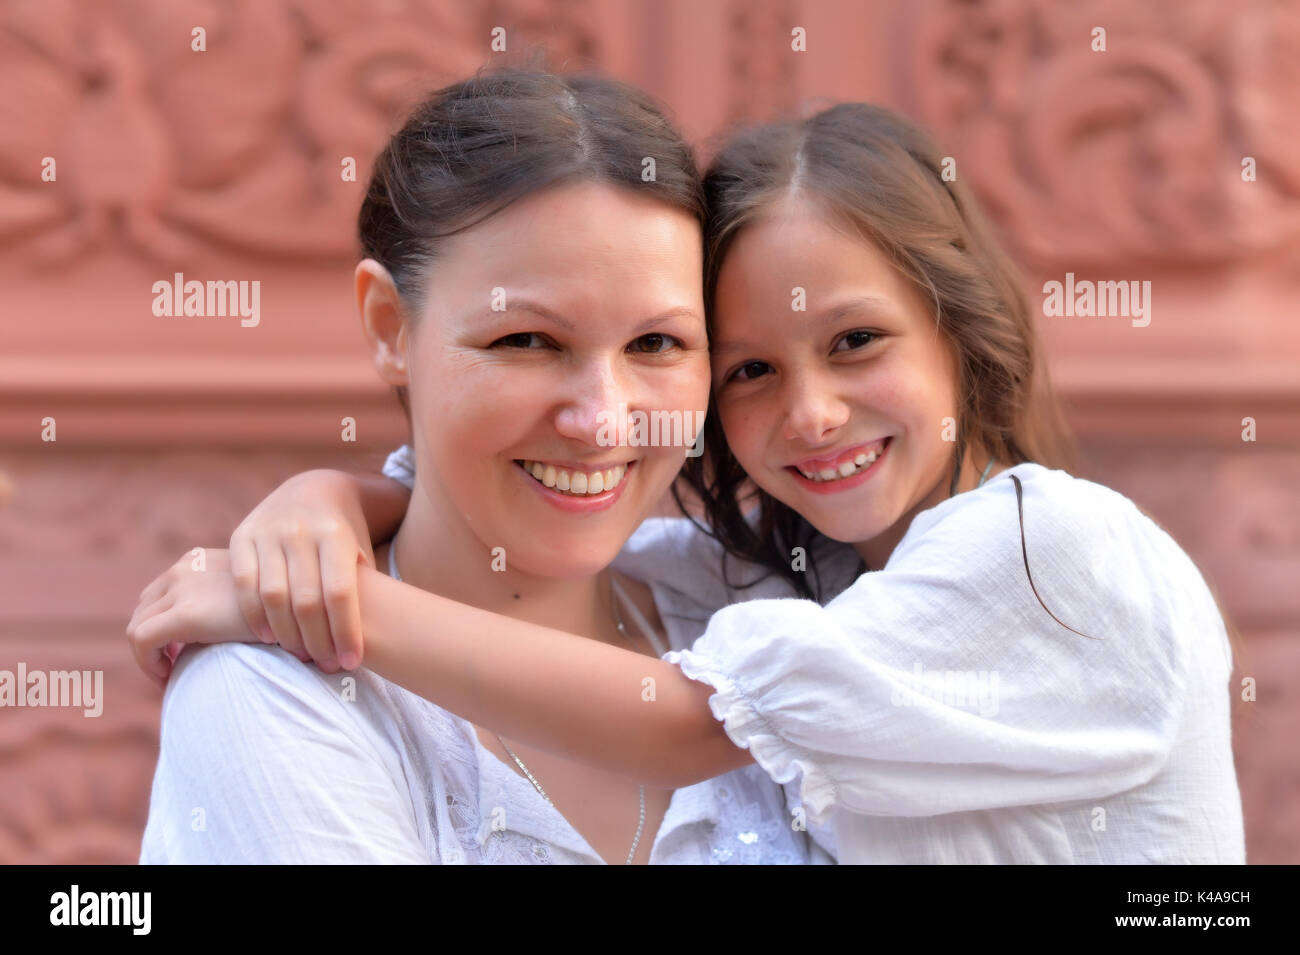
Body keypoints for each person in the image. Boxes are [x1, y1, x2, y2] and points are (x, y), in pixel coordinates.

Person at [132, 101, 1246, 864]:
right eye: (751, 367)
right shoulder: (778, 583)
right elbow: (508, 553)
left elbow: (688, 720)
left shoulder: (1053, 553)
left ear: (962, 332)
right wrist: (329, 504)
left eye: (857, 340)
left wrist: (349, 607)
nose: (808, 411)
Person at [132, 69, 829, 865]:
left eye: (655, 343)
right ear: (390, 326)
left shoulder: (748, 603)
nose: (601, 419)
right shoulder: (271, 689)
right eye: (526, 341)